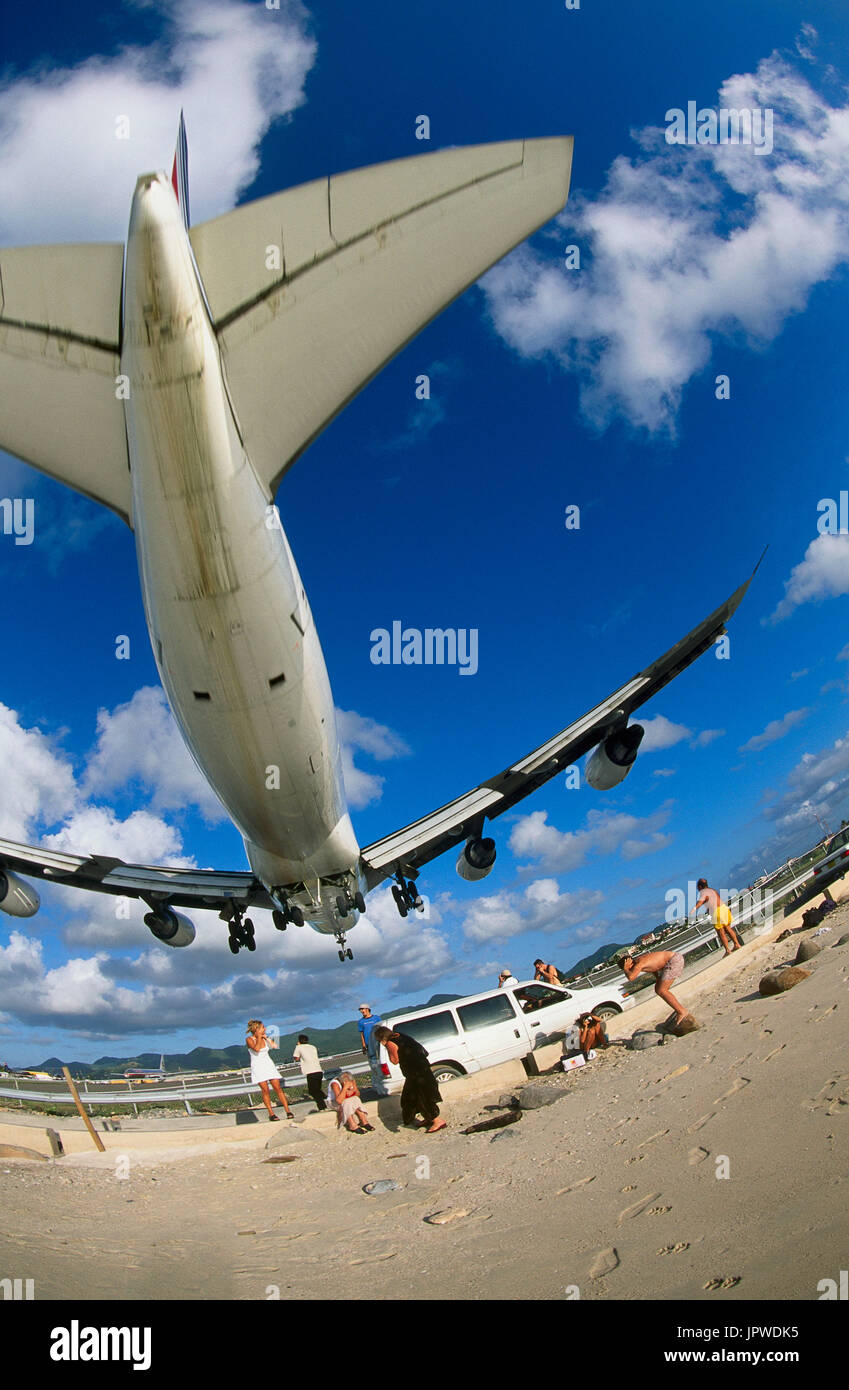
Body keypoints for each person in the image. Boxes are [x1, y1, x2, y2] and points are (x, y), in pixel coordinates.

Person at [373, 1025, 446, 1133]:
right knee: (409, 1096)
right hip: (422, 1068)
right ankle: (427, 1118)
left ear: (381, 1038)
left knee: (422, 1097)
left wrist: (386, 1048)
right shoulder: (400, 1035)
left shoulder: (390, 1043)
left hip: (415, 1073)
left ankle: (437, 1120)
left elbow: (394, 1060)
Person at [618, 949, 691, 1027]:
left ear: (629, 964)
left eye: (626, 969)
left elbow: (631, 977)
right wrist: (658, 978)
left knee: (662, 990)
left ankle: (682, 1011)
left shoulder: (639, 963)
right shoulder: (638, 961)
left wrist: (625, 968)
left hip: (673, 961)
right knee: (658, 989)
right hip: (672, 961)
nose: (627, 970)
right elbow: (653, 968)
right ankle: (680, 1010)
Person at [246, 1019, 293, 1121]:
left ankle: (288, 1111)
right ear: (257, 1029)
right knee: (265, 1090)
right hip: (258, 1067)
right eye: (263, 1027)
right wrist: (258, 1037)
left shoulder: (264, 1038)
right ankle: (271, 1113)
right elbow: (257, 1049)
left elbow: (275, 1046)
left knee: (278, 1088)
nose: (265, 1029)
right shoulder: (249, 1039)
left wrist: (265, 1038)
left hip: (268, 1065)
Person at [693, 878, 742, 955]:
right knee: (728, 929)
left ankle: (728, 950)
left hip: (717, 912)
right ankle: (737, 944)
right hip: (724, 908)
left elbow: (700, 902)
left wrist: (694, 909)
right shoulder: (712, 890)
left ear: (699, 887)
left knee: (721, 933)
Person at [292, 1033, 326, 1110]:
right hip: (319, 1070)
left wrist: (297, 1046)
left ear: (299, 1041)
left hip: (310, 1072)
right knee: (318, 1089)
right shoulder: (313, 1046)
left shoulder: (299, 1047)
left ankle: (322, 1106)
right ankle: (327, 1099)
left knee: (313, 1091)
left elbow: (296, 1058)